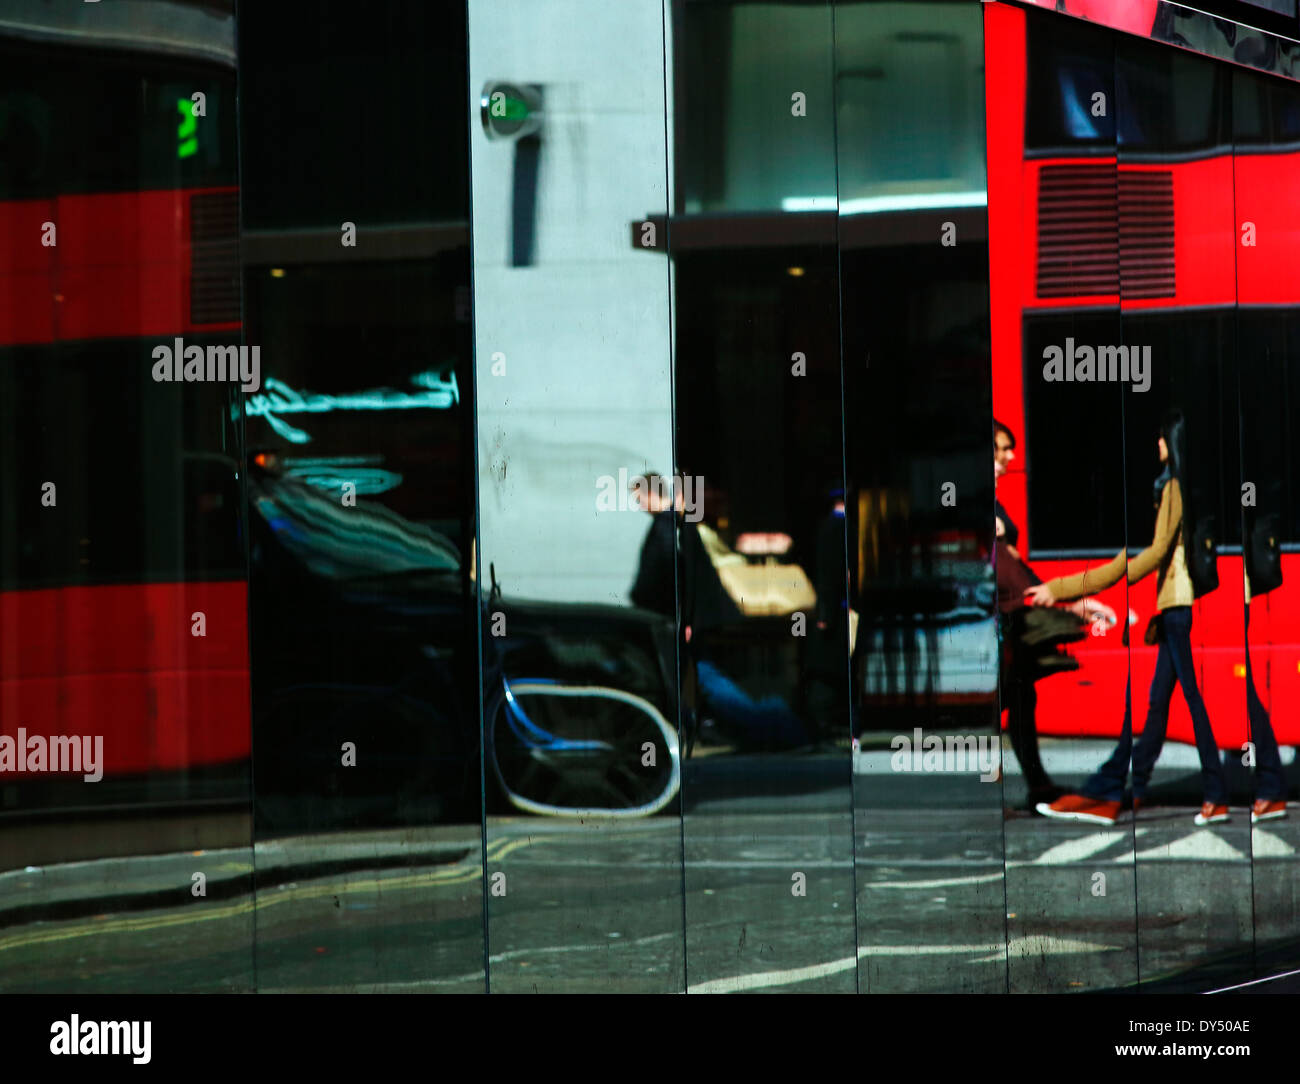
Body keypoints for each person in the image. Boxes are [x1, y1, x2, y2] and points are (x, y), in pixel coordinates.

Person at [1030, 409, 1229, 826]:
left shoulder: (1174, 486)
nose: (1156, 446)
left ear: (1172, 445)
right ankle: (1134, 788)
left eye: (1161, 439)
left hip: (1176, 606)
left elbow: (1158, 552)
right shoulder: (1172, 486)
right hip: (1170, 607)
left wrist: (1107, 578)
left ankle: (1211, 792)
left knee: (1190, 700)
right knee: (1156, 704)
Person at [993, 420, 1115, 809]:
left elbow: (1014, 565)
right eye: (1001, 448)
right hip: (994, 619)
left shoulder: (992, 502)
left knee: (1020, 695)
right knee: (1005, 696)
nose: (1010, 456)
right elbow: (1004, 567)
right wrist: (1060, 600)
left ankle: (1038, 784)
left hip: (1010, 616)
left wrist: (1060, 598)